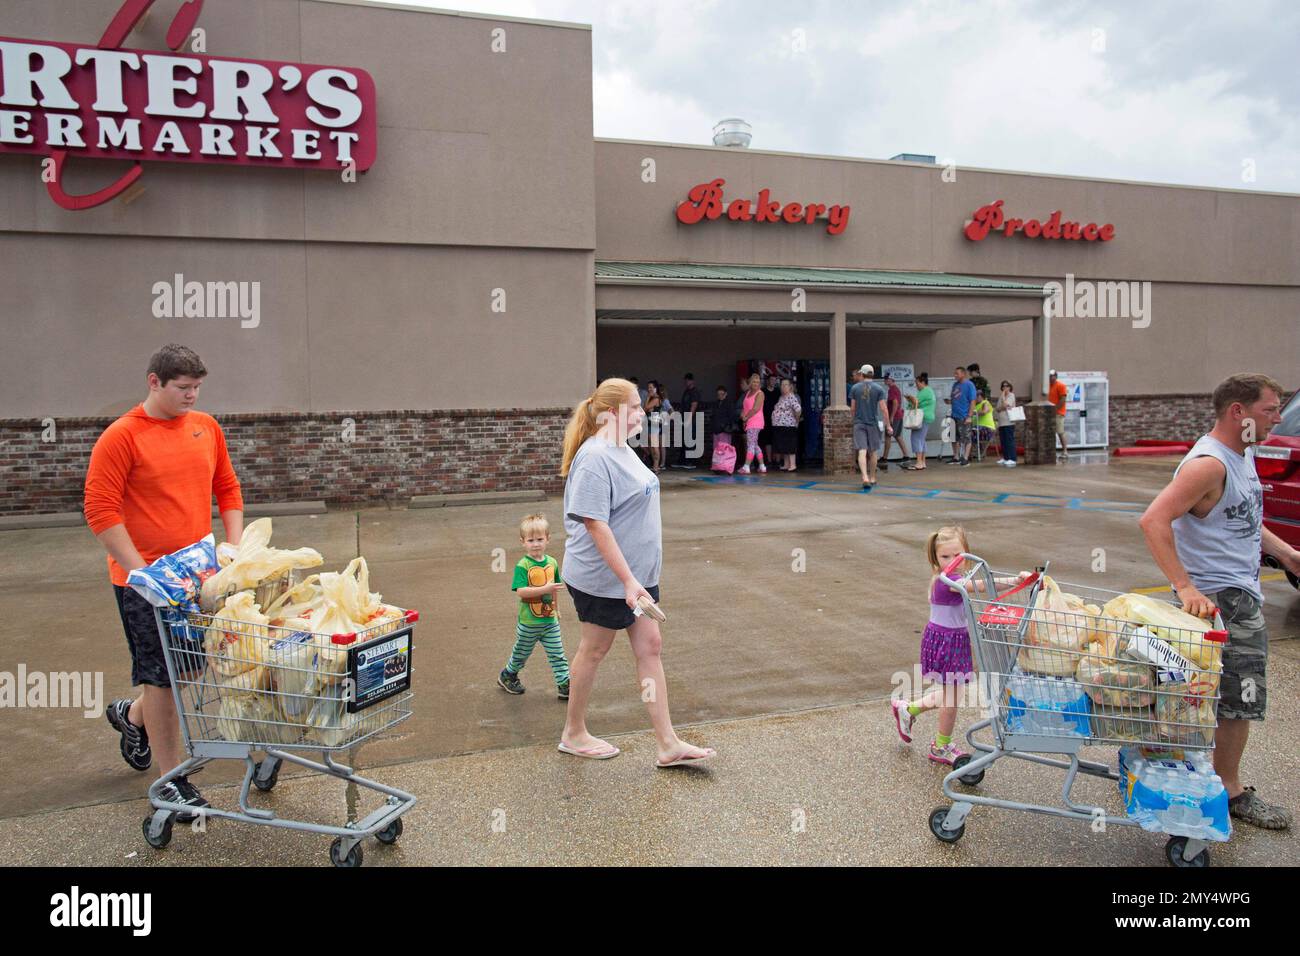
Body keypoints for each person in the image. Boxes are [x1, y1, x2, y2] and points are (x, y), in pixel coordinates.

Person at [86, 344, 244, 819]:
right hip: (144, 584)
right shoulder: (122, 437)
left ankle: (130, 718)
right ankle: (171, 780)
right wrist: (142, 572)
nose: (191, 396)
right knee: (161, 680)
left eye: (197, 387)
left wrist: (233, 548)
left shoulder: (206, 428)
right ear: (154, 382)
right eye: (182, 388)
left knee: (191, 670)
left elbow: (228, 488)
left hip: (198, 578)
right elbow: (100, 510)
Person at [1139, 373, 1300, 830]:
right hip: (1221, 602)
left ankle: (1207, 780)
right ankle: (1229, 791)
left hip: (1238, 593)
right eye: (1270, 409)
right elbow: (1153, 520)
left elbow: (1244, 519)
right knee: (1238, 700)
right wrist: (1186, 588)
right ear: (1239, 412)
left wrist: (1285, 553)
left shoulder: (1240, 455)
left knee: (1220, 697)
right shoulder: (1209, 464)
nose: (1277, 417)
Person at [558, 378, 716, 767]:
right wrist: (628, 581)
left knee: (650, 647)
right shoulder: (595, 457)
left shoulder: (621, 449)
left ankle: (668, 744)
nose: (643, 412)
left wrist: (637, 579)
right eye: (634, 406)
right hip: (604, 579)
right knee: (594, 649)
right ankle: (573, 733)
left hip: (635, 578)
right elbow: (596, 525)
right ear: (611, 413)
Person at [890, 526, 1030, 766]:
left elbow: (976, 583)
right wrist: (1016, 581)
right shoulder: (947, 581)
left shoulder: (953, 577)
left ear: (966, 553)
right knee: (952, 698)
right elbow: (980, 586)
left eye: (957, 555)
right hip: (946, 643)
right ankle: (940, 746)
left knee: (951, 693)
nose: (952, 561)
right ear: (936, 559)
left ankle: (908, 709)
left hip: (950, 640)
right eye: (945, 557)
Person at [497, 513, 570, 699]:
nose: (535, 544)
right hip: (529, 622)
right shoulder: (523, 565)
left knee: (558, 654)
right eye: (530, 540)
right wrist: (544, 588)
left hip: (549, 621)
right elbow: (521, 591)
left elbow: (554, 589)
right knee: (521, 653)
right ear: (523, 542)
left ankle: (564, 684)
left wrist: (557, 608)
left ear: (548, 539)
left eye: (539, 539)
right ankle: (508, 674)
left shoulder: (552, 563)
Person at [849, 364, 891, 488]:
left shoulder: (855, 388)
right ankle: (872, 477)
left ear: (862, 374)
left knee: (862, 450)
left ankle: (864, 477)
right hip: (873, 423)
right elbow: (884, 409)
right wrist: (888, 425)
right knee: (873, 452)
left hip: (859, 423)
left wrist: (854, 421)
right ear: (872, 374)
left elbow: (852, 408)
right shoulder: (879, 389)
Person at [904, 372, 935, 471]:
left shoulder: (925, 391)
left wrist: (909, 399)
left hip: (921, 417)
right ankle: (922, 462)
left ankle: (919, 462)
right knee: (921, 439)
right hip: (926, 417)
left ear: (922, 382)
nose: (916, 386)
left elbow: (915, 402)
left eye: (917, 383)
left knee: (916, 438)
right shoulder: (929, 391)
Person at [738, 373, 768, 475]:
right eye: (754, 381)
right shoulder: (748, 393)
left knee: (750, 443)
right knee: (754, 444)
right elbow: (745, 407)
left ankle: (746, 467)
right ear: (750, 383)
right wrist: (743, 417)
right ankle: (762, 466)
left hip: (755, 422)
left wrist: (746, 418)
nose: (756, 383)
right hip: (749, 421)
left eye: (758, 382)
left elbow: (755, 409)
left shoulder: (760, 394)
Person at [946, 366, 977, 466]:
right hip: (954, 415)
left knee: (966, 437)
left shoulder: (969, 385)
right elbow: (955, 398)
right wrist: (949, 401)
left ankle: (965, 458)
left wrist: (969, 416)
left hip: (964, 416)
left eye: (957, 373)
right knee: (953, 437)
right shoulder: (955, 385)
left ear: (963, 374)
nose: (955, 375)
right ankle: (956, 457)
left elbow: (973, 401)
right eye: (954, 373)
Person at [770, 378, 802, 472]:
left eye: (785, 385)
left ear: (790, 386)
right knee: (784, 446)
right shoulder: (781, 397)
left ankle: (793, 465)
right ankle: (786, 464)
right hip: (780, 425)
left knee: (790, 445)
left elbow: (798, 409)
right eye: (782, 385)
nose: (783, 387)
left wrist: (796, 420)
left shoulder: (792, 397)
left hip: (789, 425)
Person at [673, 373, 703, 469]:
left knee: (690, 440)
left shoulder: (694, 392)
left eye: (689, 380)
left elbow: (694, 405)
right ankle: (682, 460)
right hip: (684, 418)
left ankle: (691, 462)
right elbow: (683, 405)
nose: (687, 382)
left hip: (692, 419)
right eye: (686, 380)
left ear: (692, 381)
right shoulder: (686, 391)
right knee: (683, 440)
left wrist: (689, 418)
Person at [880, 373, 907, 469]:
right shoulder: (896, 389)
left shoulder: (892, 390)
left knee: (888, 435)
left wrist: (891, 417)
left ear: (891, 380)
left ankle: (884, 457)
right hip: (899, 415)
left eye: (887, 379)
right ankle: (906, 455)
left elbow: (895, 403)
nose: (885, 380)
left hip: (894, 417)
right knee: (897, 435)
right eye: (885, 379)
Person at [710, 384, 737, 462]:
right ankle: (718, 466)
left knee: (725, 449)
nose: (720, 396)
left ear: (726, 394)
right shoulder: (716, 403)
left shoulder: (729, 403)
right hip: (716, 430)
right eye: (718, 394)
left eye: (722, 394)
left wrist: (725, 426)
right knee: (716, 449)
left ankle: (725, 466)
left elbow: (731, 417)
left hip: (724, 430)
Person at [995, 380, 1019, 467]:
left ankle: (1012, 458)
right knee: (1003, 441)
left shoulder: (1011, 395)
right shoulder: (1001, 396)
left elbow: (1006, 405)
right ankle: (1006, 457)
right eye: (1003, 386)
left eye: (1007, 386)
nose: (1005, 387)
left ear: (1010, 387)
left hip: (1008, 422)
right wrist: (1002, 406)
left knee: (1009, 440)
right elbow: (997, 408)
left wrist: (1003, 398)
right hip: (1001, 422)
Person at [1048, 369, 1070, 459]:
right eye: (1049, 376)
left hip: (1058, 413)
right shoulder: (1047, 386)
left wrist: (1055, 409)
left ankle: (1065, 451)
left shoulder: (1061, 386)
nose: (1051, 378)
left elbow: (1062, 399)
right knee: (1050, 432)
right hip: (1049, 413)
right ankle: (1051, 451)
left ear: (1056, 377)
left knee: (1060, 431)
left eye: (1052, 376)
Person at [760, 373, 781, 465]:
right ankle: (769, 459)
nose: (773, 381)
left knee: (776, 439)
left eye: (774, 380)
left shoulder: (778, 392)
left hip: (777, 419)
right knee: (767, 439)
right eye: (771, 380)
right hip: (766, 418)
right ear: (767, 381)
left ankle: (777, 459)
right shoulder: (763, 391)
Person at [644, 380, 664, 473]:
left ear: (656, 388)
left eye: (651, 387)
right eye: (648, 387)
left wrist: (648, 398)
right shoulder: (652, 398)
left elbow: (646, 408)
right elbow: (646, 408)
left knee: (655, 446)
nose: (649, 389)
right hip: (650, 423)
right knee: (651, 445)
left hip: (654, 424)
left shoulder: (656, 398)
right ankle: (654, 465)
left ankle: (656, 467)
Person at [973, 387, 996, 461]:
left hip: (987, 428)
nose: (976, 398)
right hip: (977, 427)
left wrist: (976, 412)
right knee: (966, 432)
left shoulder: (985, 402)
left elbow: (984, 411)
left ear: (981, 396)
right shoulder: (976, 406)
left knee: (970, 433)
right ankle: (975, 453)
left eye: (977, 396)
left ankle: (976, 453)